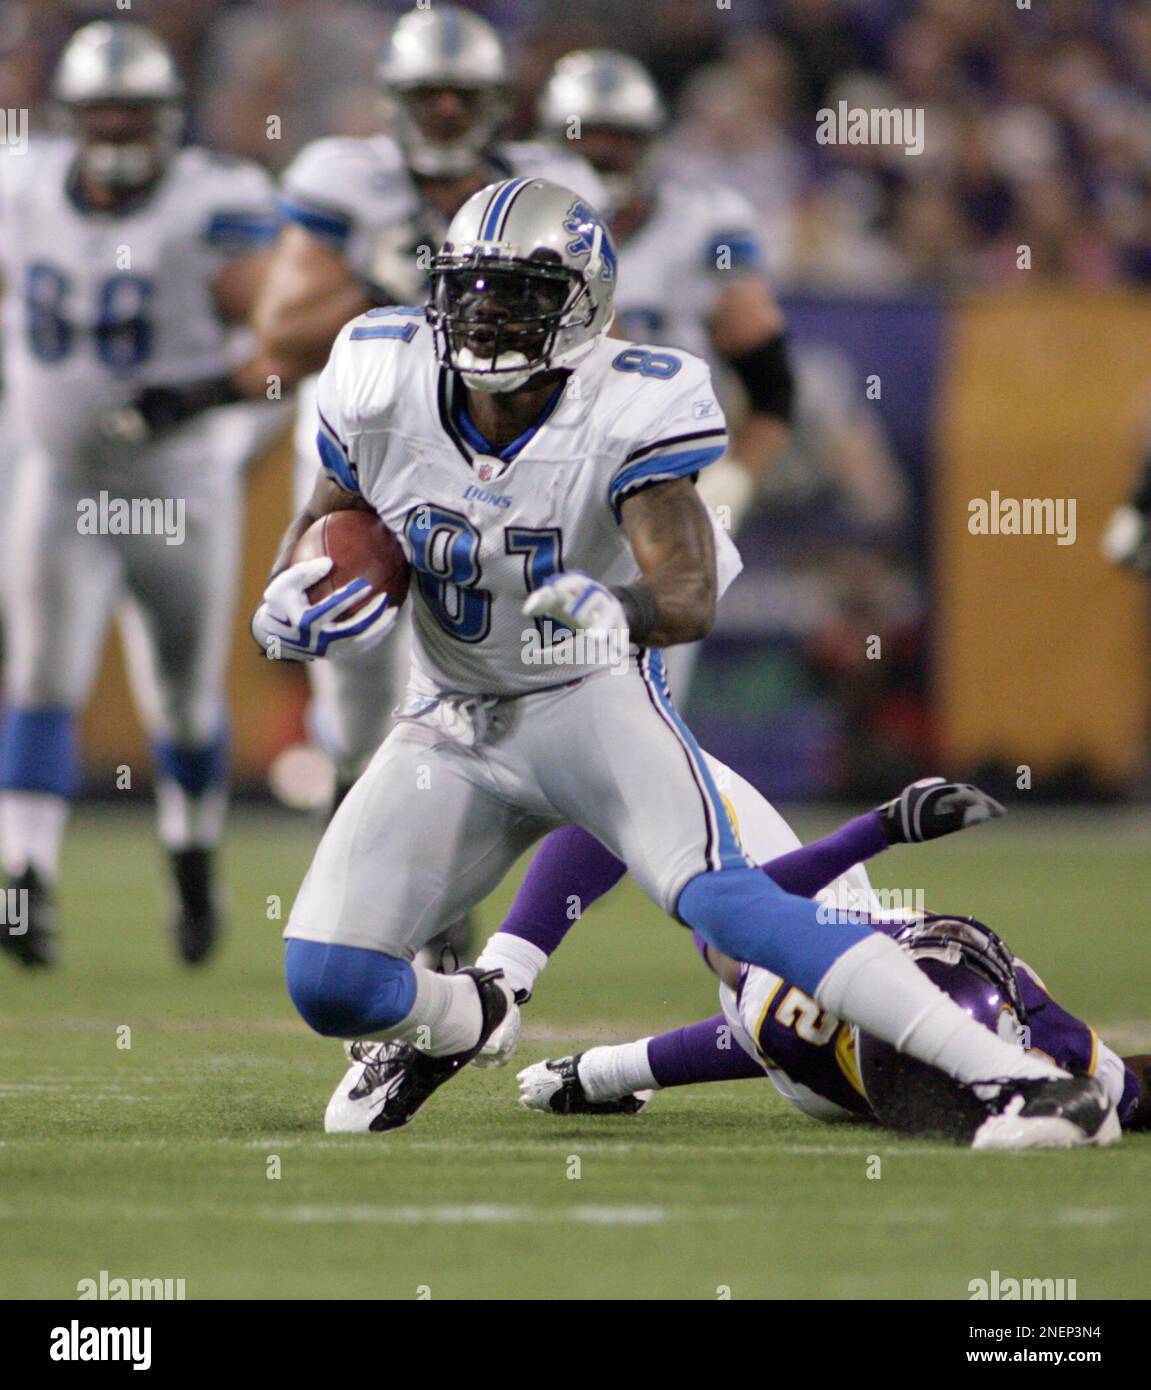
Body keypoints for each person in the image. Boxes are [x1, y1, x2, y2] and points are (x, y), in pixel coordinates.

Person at [253, 176, 1114, 1147]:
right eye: (473, 289)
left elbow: (688, 595)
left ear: (580, 306)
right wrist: (299, 579)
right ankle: (471, 1015)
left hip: (584, 698)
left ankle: (1018, 1080)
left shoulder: (635, 399)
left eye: (520, 295)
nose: (487, 316)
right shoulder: (380, 371)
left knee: (727, 904)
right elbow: (337, 509)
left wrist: (609, 603)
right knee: (328, 981)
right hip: (448, 719)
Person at [0, 21, 281, 968]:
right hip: (62, 473)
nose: (118, 127)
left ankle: (192, 852)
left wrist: (198, 396)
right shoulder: (23, 181)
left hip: (179, 486)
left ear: (168, 117)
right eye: (103, 111)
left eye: (135, 110)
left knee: (187, 702)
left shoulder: (214, 201)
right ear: (73, 118)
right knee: (41, 675)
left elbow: (279, 338)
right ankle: (26, 880)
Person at [514, 781, 1143, 1146]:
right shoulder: (1034, 1021)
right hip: (883, 1042)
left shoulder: (796, 1019)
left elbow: (726, 925)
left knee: (642, 777)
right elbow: (1126, 1089)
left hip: (819, 1023)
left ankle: (506, 975)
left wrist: (878, 829)